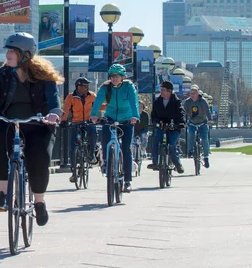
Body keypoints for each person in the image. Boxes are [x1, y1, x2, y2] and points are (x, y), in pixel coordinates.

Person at [0, 33, 62, 226]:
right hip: (7, 122)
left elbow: (53, 97)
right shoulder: (2, 74)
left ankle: (39, 203)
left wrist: (54, 114)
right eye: (7, 50)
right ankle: (3, 193)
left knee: (39, 159)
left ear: (25, 54)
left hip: (38, 124)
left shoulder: (43, 75)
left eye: (11, 51)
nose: (7, 54)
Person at [91, 63, 140, 193]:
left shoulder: (129, 86)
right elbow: (98, 101)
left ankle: (127, 181)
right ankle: (106, 163)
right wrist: (94, 115)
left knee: (126, 149)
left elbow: (134, 101)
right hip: (110, 117)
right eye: (112, 76)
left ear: (122, 77)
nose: (114, 78)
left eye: (117, 76)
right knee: (105, 140)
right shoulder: (106, 87)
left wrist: (135, 116)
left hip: (127, 119)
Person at [62, 77, 98, 182]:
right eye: (85, 86)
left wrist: (107, 108)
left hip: (89, 121)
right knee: (73, 147)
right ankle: (73, 171)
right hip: (76, 122)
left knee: (93, 132)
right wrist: (63, 121)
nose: (87, 87)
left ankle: (91, 155)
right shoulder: (71, 97)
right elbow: (66, 109)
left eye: (87, 85)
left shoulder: (92, 96)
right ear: (78, 87)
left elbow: (98, 106)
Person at [148, 81, 185, 173]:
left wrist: (180, 123)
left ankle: (177, 164)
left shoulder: (176, 102)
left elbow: (181, 113)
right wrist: (156, 122)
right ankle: (155, 162)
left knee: (172, 143)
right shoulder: (157, 102)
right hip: (161, 126)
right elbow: (153, 115)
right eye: (161, 90)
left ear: (169, 91)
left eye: (163, 90)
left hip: (174, 127)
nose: (161, 92)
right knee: (156, 141)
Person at [183, 84, 211, 168]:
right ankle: (190, 151)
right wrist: (184, 122)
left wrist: (209, 119)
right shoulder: (187, 102)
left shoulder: (202, 101)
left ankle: (206, 157)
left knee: (205, 138)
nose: (193, 95)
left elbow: (207, 110)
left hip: (202, 122)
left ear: (198, 93)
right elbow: (183, 113)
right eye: (191, 93)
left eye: (194, 93)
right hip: (192, 123)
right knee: (190, 135)